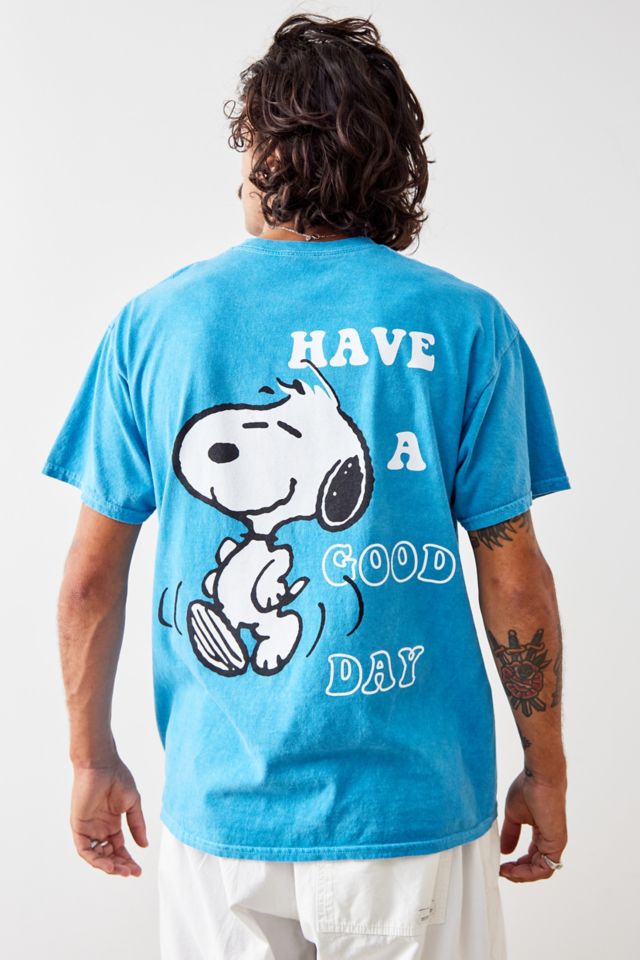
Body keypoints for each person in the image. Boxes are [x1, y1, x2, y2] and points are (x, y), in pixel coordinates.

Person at [41, 13, 570, 960]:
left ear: (268, 147)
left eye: (245, 143)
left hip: (224, 818)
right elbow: (513, 574)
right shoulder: (467, 326)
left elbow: (89, 578)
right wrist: (548, 769)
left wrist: (90, 756)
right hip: (412, 817)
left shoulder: (154, 327)